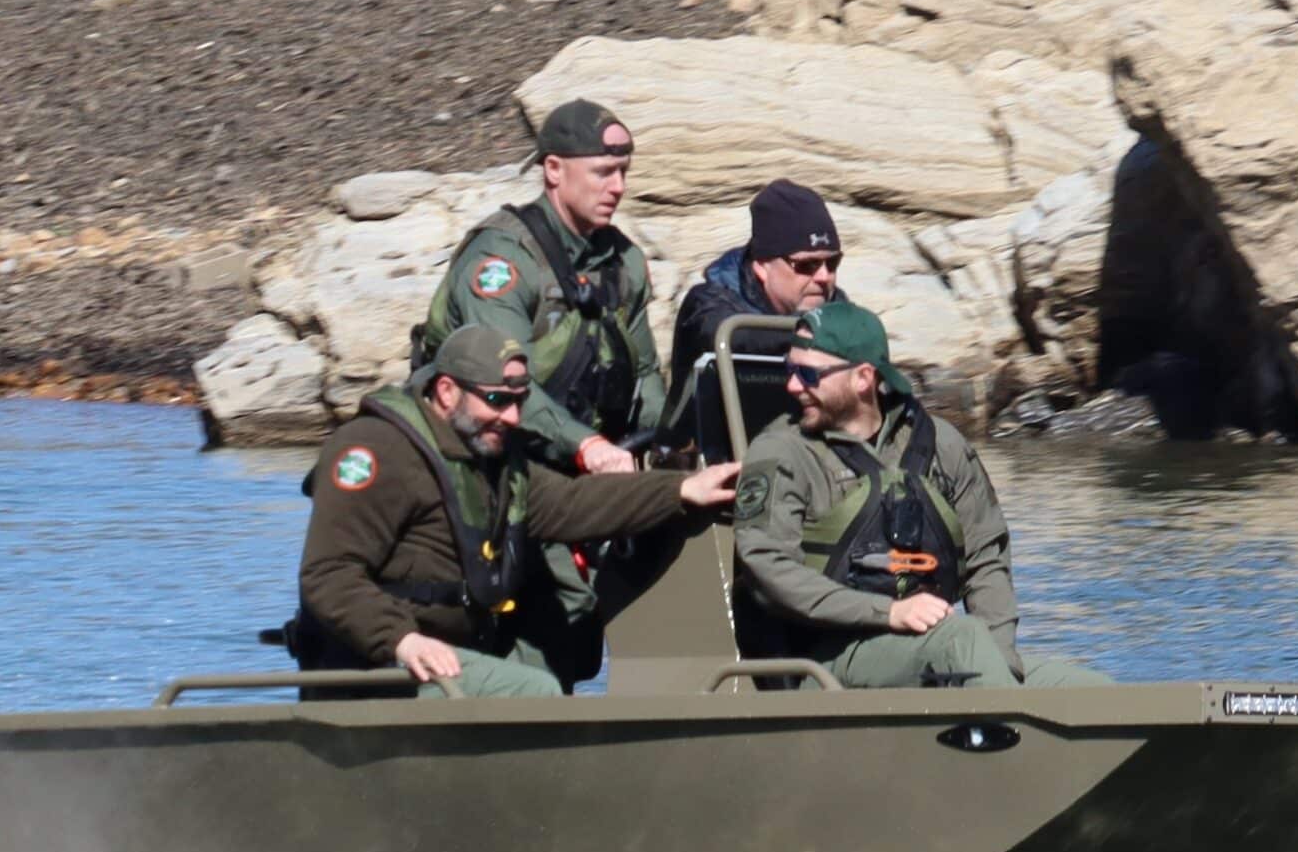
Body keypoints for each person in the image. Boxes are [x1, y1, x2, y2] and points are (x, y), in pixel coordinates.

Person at [296, 326, 740, 698]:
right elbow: (329, 574)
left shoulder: (492, 460)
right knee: (535, 695)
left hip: (452, 647)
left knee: (562, 650)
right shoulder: (375, 451)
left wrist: (681, 488)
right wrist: (401, 640)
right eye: (495, 401)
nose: (510, 417)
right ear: (447, 391)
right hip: (377, 663)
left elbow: (572, 503)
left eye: (519, 401)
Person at [733, 301, 1101, 689]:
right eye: (790, 370)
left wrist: (1002, 663)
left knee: (1089, 694)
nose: (792, 386)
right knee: (960, 641)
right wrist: (888, 612)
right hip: (828, 658)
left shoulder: (941, 444)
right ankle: (1005, 725)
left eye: (808, 374)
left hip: (934, 649)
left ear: (863, 378)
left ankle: (1003, 713)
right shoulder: (782, 453)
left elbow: (985, 559)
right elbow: (769, 568)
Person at [414, 98, 664, 475]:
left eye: (624, 172)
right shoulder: (504, 259)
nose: (619, 187)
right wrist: (585, 444)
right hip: (486, 458)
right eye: (603, 173)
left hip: (589, 463)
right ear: (553, 170)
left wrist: (676, 439)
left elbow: (644, 376)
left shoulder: (624, 261)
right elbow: (502, 383)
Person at [667, 178, 845, 384]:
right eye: (806, 265)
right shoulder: (709, 303)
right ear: (762, 266)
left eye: (832, 263)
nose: (824, 277)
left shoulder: (835, 303)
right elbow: (726, 335)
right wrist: (811, 332)